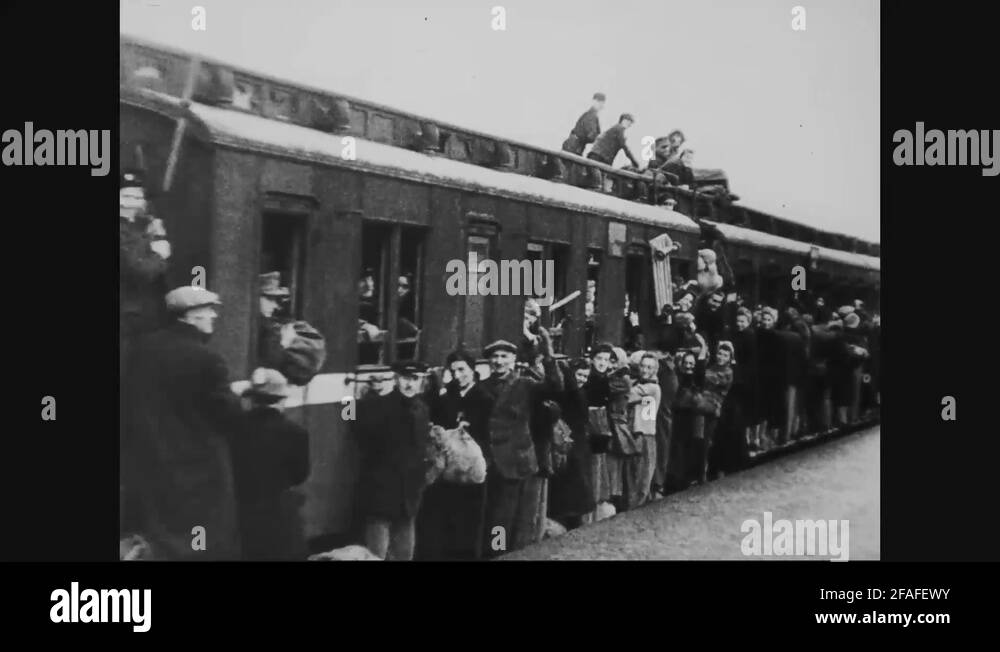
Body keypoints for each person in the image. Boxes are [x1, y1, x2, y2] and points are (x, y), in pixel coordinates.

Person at [122, 286, 245, 560]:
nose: (213, 316)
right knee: (202, 541)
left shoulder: (142, 349)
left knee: (159, 539)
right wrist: (237, 399)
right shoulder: (208, 359)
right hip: (199, 470)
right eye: (208, 310)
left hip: (151, 461)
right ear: (190, 316)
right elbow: (229, 415)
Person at [479, 332, 563, 556]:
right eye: (495, 356)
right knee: (497, 517)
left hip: (517, 460)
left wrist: (549, 354)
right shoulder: (482, 386)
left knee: (520, 517)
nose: (498, 361)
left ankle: (512, 553)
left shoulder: (525, 384)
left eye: (504, 356)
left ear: (513, 359)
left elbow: (555, 387)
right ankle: (498, 553)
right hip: (491, 461)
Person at [416, 349, 494, 560]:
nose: (458, 375)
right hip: (446, 467)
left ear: (472, 370)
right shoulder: (444, 394)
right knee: (443, 517)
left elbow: (484, 431)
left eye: (462, 370)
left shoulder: (484, 396)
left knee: (469, 521)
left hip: (471, 468)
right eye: (453, 371)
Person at [355, 360, 437, 560]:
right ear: (396, 379)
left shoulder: (422, 408)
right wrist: (348, 400)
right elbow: (354, 429)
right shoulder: (377, 405)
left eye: (415, 379)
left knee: (404, 553)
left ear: (421, 382)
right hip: (381, 486)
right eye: (405, 378)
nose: (409, 384)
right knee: (377, 553)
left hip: (409, 490)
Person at [231, 368, 310, 560]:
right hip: (279, 516)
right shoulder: (296, 432)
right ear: (282, 400)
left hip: (241, 513)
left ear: (252, 399)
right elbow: (301, 474)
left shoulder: (233, 427)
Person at [257, 271, 327, 386]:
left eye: (277, 300)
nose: (275, 306)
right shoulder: (268, 330)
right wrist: (285, 344)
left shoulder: (282, 328)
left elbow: (306, 369)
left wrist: (287, 343)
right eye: (269, 299)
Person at [626, 353, 661, 507]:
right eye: (642, 366)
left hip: (644, 435)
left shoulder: (651, 388)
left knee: (641, 479)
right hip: (635, 434)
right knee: (633, 477)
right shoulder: (639, 384)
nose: (645, 370)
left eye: (649, 367)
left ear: (655, 370)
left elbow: (627, 395)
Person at [697, 342, 734, 483]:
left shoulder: (727, 372)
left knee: (708, 440)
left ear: (730, 358)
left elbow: (708, 379)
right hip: (703, 405)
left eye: (725, 355)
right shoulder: (712, 367)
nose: (721, 357)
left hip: (713, 407)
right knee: (701, 440)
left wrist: (701, 365)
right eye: (720, 353)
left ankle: (704, 473)